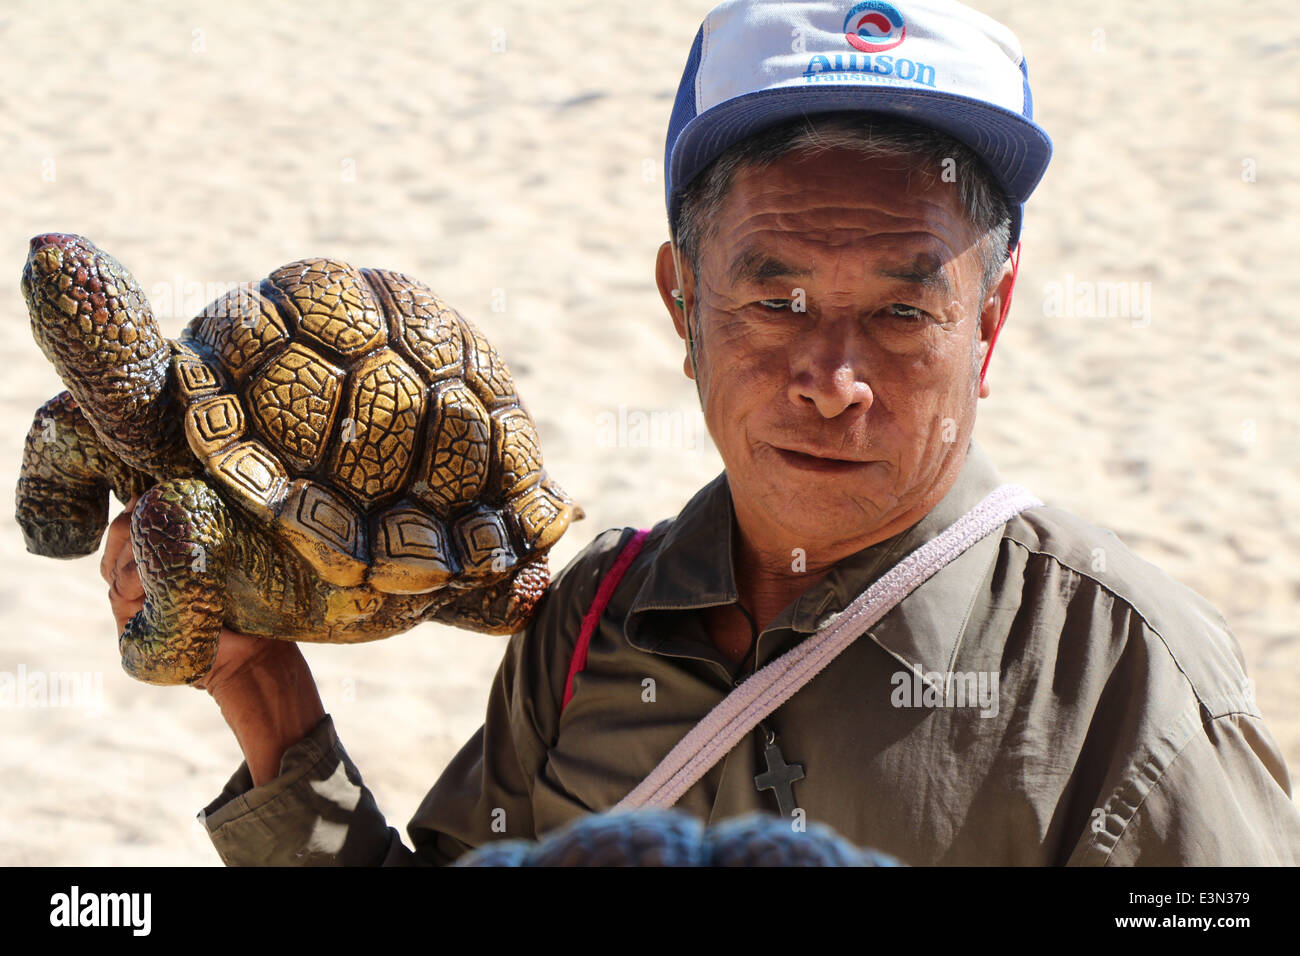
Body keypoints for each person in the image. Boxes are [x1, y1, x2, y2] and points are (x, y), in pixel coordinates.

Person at [103, 0, 1300, 865]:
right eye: (773, 300)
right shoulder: (586, 624)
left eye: (901, 308)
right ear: (681, 302)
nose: (833, 379)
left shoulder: (1126, 684)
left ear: (987, 320)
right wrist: (266, 696)